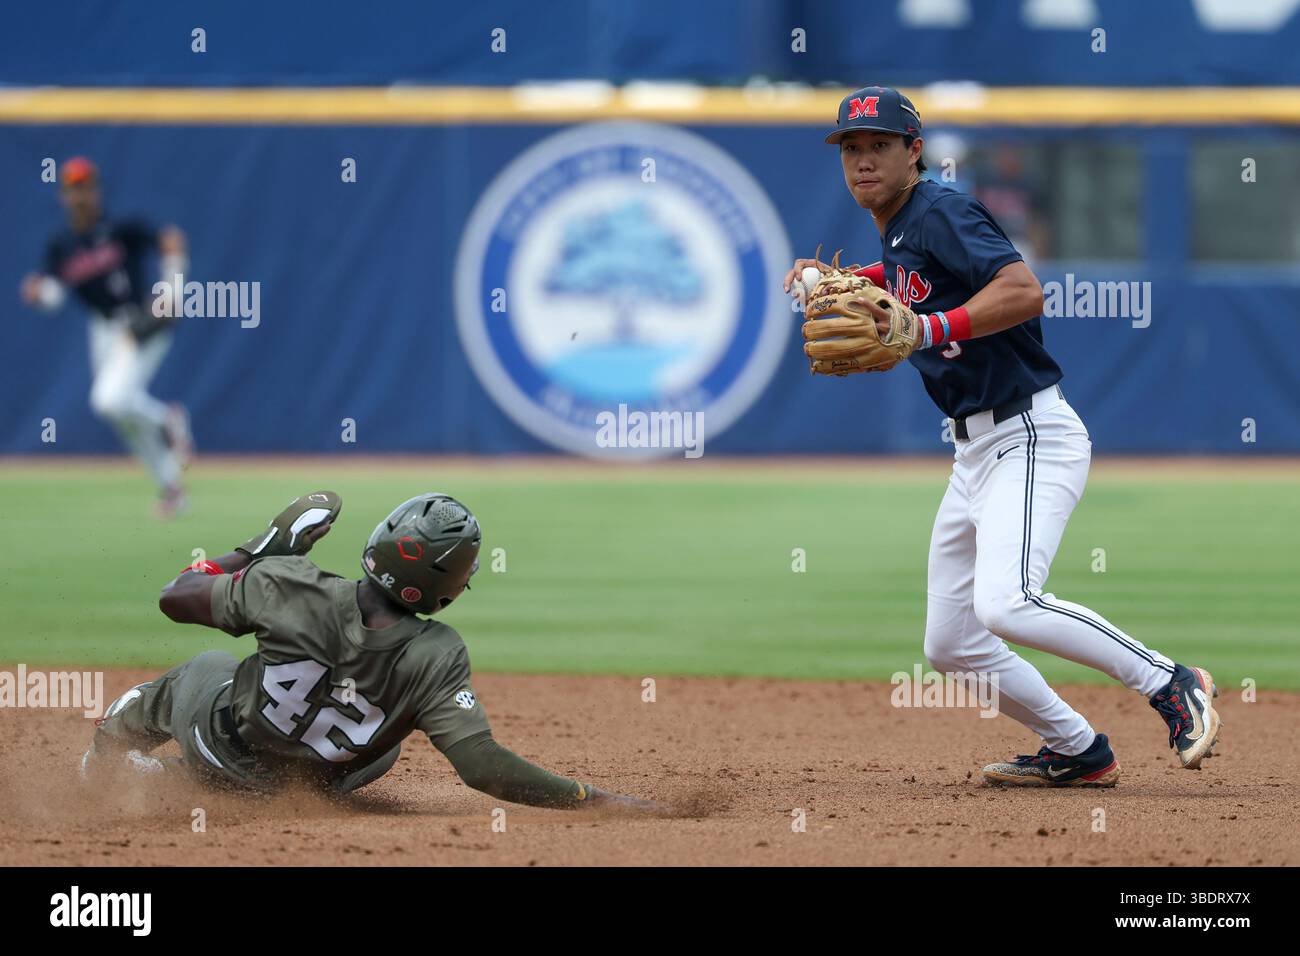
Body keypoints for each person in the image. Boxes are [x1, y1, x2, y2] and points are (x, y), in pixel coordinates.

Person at [783, 86, 1221, 787]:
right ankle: (1077, 749)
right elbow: (911, 279)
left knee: (1007, 602)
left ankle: (1170, 681)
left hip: (1028, 432)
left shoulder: (940, 208)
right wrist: (841, 278)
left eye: (879, 147)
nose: (863, 162)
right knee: (951, 641)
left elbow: (1021, 290)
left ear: (913, 151)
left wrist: (926, 329)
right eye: (852, 150)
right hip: (974, 451)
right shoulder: (901, 228)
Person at [82, 490, 654, 811]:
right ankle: (280, 786)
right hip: (305, 786)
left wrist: (258, 549)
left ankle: (104, 758)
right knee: (386, 745)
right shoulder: (438, 652)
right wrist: (590, 798)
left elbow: (175, 597)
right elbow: (481, 767)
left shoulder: (288, 581)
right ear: (443, 587)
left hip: (218, 751)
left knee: (205, 669)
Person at [20, 157, 193, 518]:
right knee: (123, 414)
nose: (80, 195)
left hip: (140, 321)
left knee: (108, 400)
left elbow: (171, 238)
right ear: (63, 194)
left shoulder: (120, 227)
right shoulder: (61, 245)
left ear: (96, 190)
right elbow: (51, 294)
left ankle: (166, 420)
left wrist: (173, 287)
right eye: (73, 188)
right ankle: (171, 487)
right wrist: (36, 292)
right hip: (102, 331)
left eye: (85, 187)